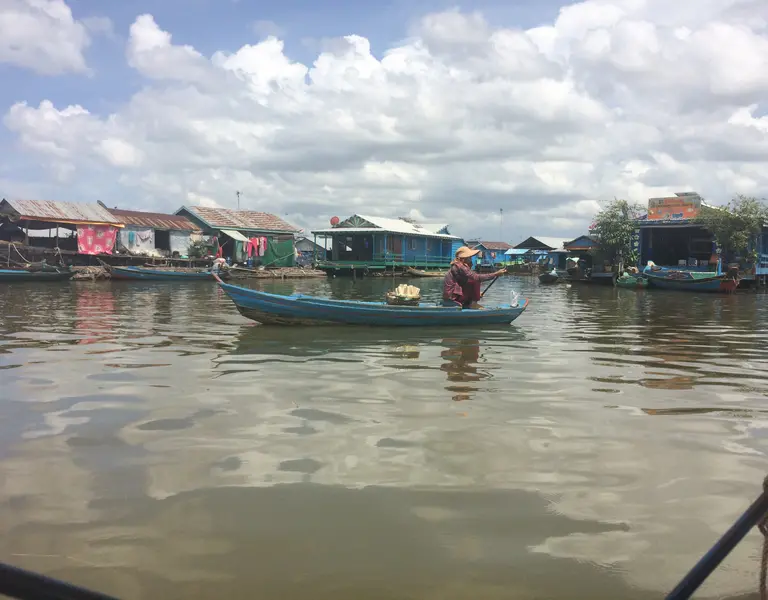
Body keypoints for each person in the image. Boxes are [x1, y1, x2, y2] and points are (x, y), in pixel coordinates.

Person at [443, 246, 508, 308]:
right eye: (469, 257)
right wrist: (495, 274)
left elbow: (463, 283)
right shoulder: (459, 266)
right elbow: (476, 277)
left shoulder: (458, 265)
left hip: (451, 296)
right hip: (452, 297)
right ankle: (473, 303)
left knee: (471, 280)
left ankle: (472, 301)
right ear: (463, 259)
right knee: (475, 280)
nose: (470, 259)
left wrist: (475, 294)